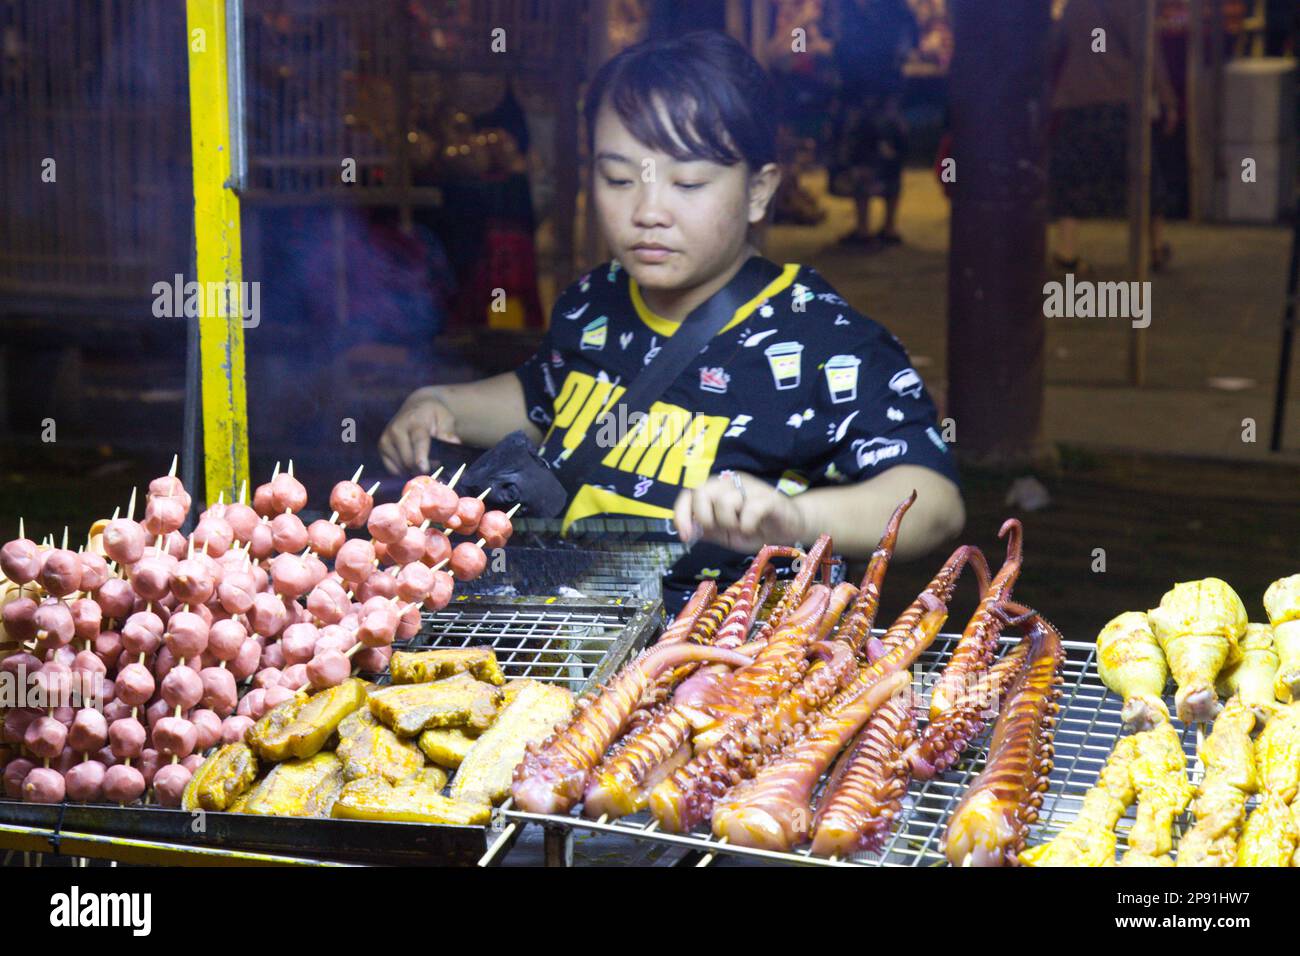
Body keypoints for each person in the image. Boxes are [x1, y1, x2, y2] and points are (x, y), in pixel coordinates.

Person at [379, 31, 964, 608]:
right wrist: (444, 403)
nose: (648, 210)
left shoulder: (823, 338)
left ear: (759, 192)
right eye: (618, 178)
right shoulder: (593, 302)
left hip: (732, 671)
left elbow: (935, 502)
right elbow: (545, 399)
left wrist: (796, 516)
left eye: (687, 182)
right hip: (574, 637)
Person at [1049, 0, 1179, 273]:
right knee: (1144, 176)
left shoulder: (1075, 5)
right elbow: (1148, 52)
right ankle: (1156, 247)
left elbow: (1056, 46)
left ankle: (1067, 252)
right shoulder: (1132, 6)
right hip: (1121, 97)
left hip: (1077, 99)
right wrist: (1168, 100)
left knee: (1073, 177)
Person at [826, 0, 919, 247]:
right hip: (867, 94)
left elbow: (838, 47)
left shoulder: (890, 10)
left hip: (878, 94)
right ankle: (868, 226)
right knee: (863, 158)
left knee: (885, 157)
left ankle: (882, 226)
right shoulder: (852, 9)